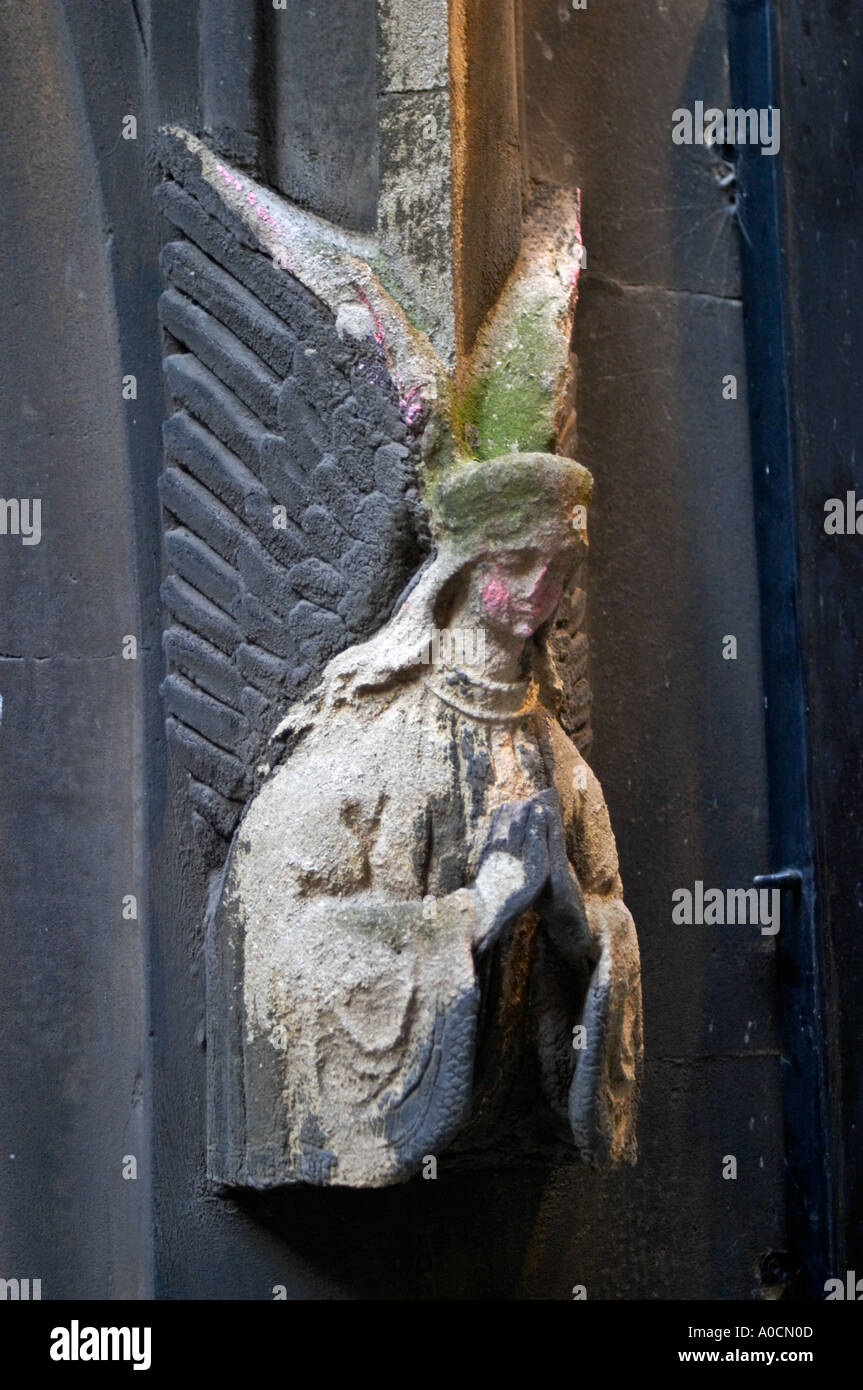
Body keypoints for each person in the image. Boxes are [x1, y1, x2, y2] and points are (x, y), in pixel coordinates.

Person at [207, 453, 643, 1188]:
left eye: (562, 565)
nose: (541, 589)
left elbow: (607, 906)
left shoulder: (562, 766)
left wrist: (582, 928)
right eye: (516, 562)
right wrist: (471, 916)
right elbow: (281, 923)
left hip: (503, 1128)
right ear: (464, 568)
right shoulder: (373, 740)